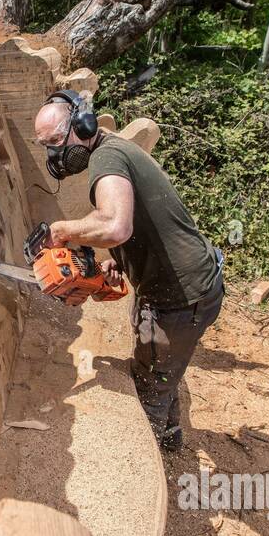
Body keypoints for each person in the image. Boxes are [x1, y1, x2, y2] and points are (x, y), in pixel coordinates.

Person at [34, 90, 224, 451]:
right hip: (185, 287)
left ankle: (146, 455)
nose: (55, 153)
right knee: (162, 369)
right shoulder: (114, 150)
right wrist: (118, 262)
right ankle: (170, 437)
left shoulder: (107, 157)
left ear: (83, 123)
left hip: (183, 298)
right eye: (47, 146)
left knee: (149, 386)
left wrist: (60, 231)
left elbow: (116, 225)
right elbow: (134, 223)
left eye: (57, 141)